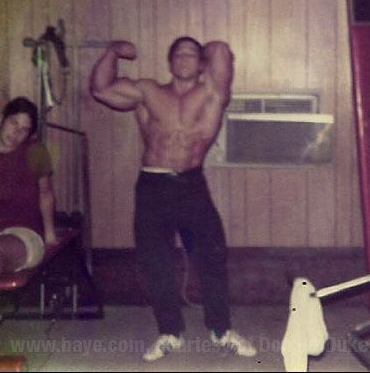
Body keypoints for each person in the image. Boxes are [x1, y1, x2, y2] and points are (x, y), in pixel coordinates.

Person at [90, 37, 257, 361]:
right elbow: (101, 89)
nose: (183, 59)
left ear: (202, 63)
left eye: (191, 55)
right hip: (152, 186)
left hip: (191, 184)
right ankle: (169, 332)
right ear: (169, 62)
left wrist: (207, 53)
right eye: (178, 54)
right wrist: (113, 52)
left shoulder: (212, 93)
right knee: (156, 262)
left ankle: (221, 329)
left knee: (212, 255)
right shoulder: (148, 91)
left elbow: (221, 52)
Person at [0, 97, 57, 297]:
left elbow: (46, 193)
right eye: (13, 123)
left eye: (24, 129)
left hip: (23, 232)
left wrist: (50, 234)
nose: (16, 133)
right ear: (1, 120)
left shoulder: (36, 151)